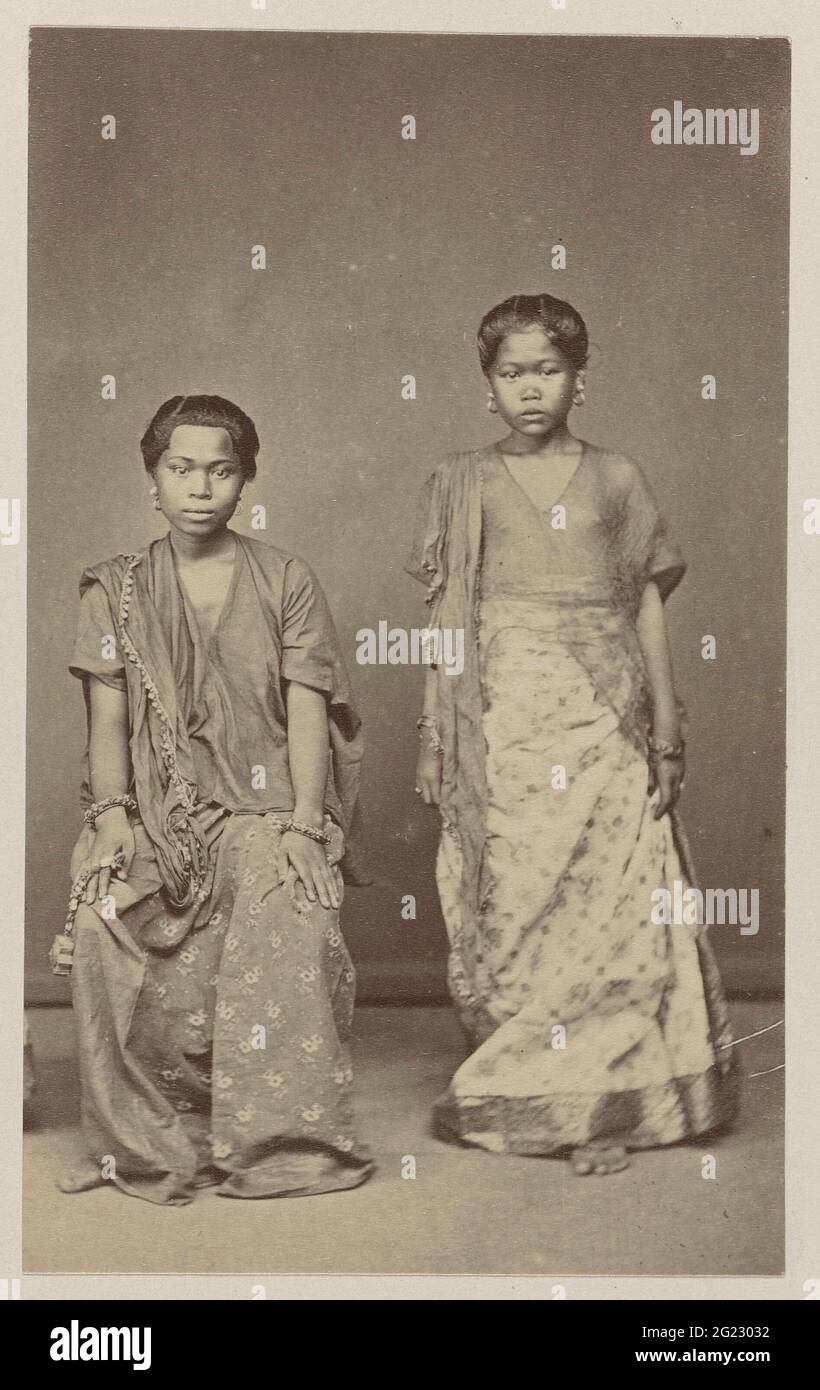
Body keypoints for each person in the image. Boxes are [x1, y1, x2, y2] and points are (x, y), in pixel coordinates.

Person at [407, 294, 739, 1175]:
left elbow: (646, 604)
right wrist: (437, 735)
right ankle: (537, 1083)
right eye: (511, 373)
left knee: (616, 902)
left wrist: (667, 730)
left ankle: (601, 1098)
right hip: (504, 720)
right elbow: (446, 620)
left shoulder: (618, 478)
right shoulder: (460, 481)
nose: (529, 389)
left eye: (547, 371)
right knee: (518, 896)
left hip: (607, 715)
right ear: (487, 387)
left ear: (578, 381)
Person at [57, 393, 373, 1204]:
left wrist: (307, 823)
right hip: (154, 816)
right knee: (102, 918)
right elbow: (110, 719)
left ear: (246, 483)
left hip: (267, 811)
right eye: (181, 469)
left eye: (221, 471)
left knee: (285, 901)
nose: (200, 488)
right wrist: (113, 820)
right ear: (152, 481)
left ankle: (281, 1139)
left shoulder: (285, 579)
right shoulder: (117, 589)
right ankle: (152, 1137)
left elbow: (307, 706)